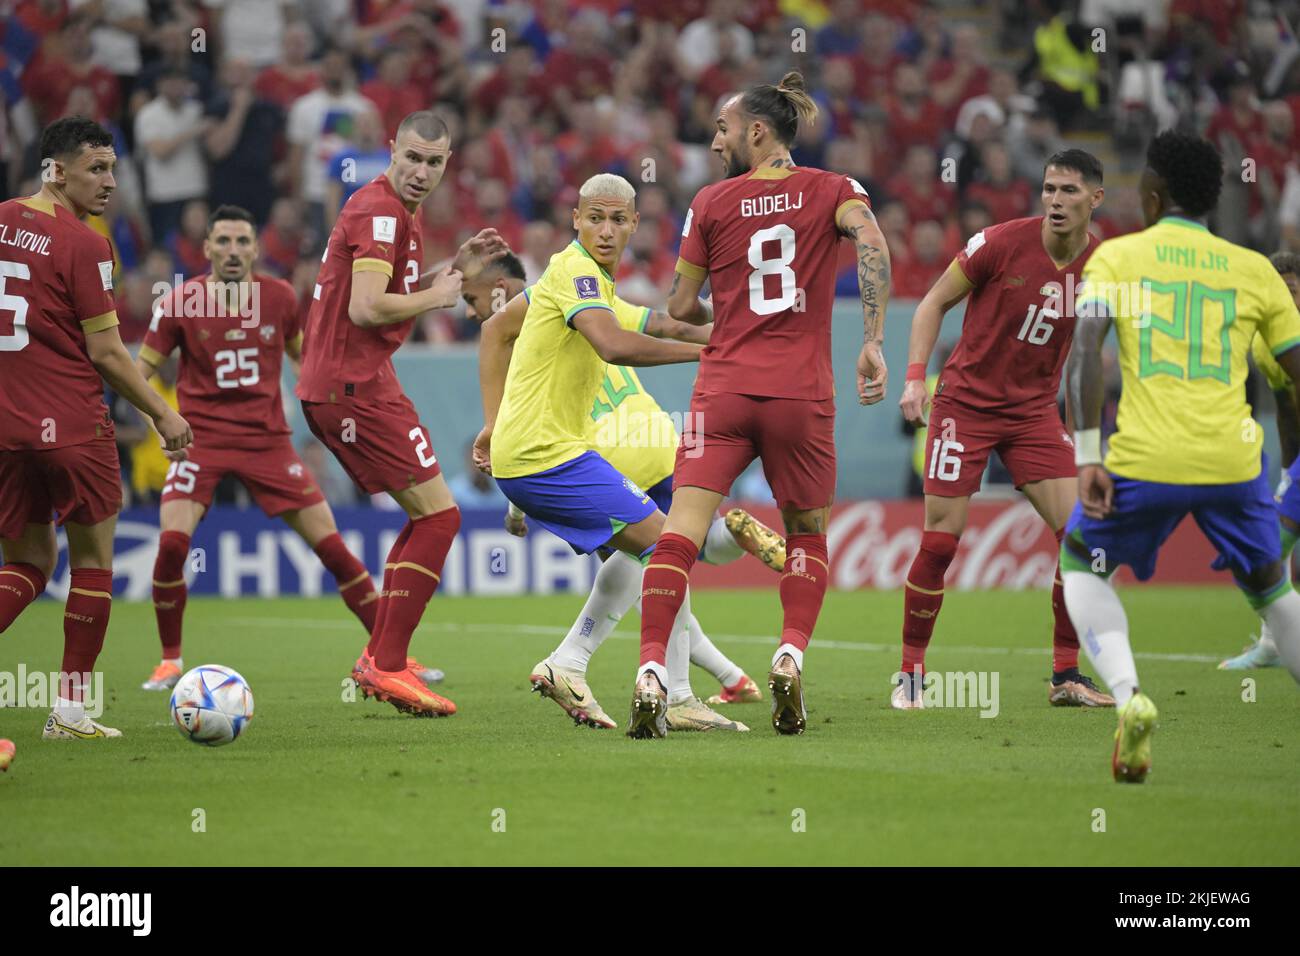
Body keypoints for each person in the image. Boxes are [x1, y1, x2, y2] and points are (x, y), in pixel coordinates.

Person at [632, 72, 891, 737]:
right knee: (805, 536)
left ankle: (653, 669)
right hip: (800, 395)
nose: (714, 141)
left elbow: (683, 307)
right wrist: (871, 342)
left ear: (756, 131)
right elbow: (871, 243)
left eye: (722, 129)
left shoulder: (711, 202)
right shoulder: (835, 190)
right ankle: (788, 654)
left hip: (721, 392)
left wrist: (721, 311)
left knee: (680, 532)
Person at [1062, 132, 1300, 783]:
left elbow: (1084, 354)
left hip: (1147, 459)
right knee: (1272, 584)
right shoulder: (1254, 268)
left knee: (1080, 560)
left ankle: (1130, 692)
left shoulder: (1119, 257)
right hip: (1234, 463)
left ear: (1154, 193)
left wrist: (1088, 455)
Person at [475, 174, 748, 733]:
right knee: (669, 546)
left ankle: (584, 669)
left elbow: (658, 322)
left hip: (546, 453)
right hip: (543, 457)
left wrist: (738, 334)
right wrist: (706, 359)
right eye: (594, 218)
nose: (605, 230)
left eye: (617, 220)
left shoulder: (587, 282)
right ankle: (651, 690)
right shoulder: (574, 271)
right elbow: (614, 343)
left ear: (634, 227)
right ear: (575, 219)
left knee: (661, 546)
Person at [134, 205, 442, 691]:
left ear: (256, 249)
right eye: (223, 242)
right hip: (203, 439)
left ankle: (390, 656)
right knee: (172, 544)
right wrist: (160, 422)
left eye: (242, 242)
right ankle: (170, 660)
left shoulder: (278, 297)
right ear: (208, 248)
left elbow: (307, 359)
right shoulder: (181, 301)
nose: (233, 251)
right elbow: (140, 372)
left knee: (334, 549)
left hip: (268, 441)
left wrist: (329, 411)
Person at [296, 110, 506, 718]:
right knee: (440, 520)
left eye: (434, 162)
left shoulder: (391, 211)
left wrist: (454, 268)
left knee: (426, 517)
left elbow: (386, 291)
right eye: (411, 157)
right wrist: (441, 294)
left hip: (355, 383)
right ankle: (385, 664)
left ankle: (384, 655)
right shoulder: (380, 211)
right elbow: (365, 308)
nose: (421, 171)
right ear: (391, 149)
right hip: (352, 388)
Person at [894, 149, 1113, 710]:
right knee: (941, 542)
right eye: (1049, 189)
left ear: (1096, 198)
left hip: (1035, 414)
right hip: (964, 407)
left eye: (1068, 191)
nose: (1056, 201)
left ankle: (1066, 674)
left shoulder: (1107, 263)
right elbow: (932, 304)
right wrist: (916, 380)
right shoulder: (1000, 243)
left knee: (1081, 537)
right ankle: (911, 673)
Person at [0, 117, 192, 739]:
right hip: (74, 425)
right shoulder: (87, 245)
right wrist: (162, 411)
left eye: (112, 168)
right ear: (56, 171)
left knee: (27, 562)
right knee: (92, 563)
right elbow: (108, 353)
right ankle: (71, 710)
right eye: (96, 169)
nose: (111, 182)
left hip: (5, 427)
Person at [1219, 250, 1300, 669]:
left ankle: (1276, 642)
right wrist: (1288, 471)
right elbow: (1287, 410)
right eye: (1278, 291)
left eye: (1291, 290)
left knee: (1270, 544)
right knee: (1272, 544)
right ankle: (1273, 642)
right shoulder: (1266, 342)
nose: (1284, 299)